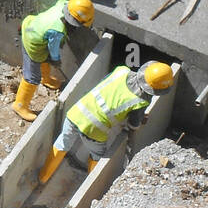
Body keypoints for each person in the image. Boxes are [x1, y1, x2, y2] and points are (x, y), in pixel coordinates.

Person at [39, 60, 174, 182]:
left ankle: (43, 177)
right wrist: (137, 123)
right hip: (93, 130)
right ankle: (88, 185)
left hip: (77, 112)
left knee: (62, 143)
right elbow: (133, 124)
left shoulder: (122, 70)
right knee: (98, 156)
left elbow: (104, 86)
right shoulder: (141, 101)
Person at [12, 0, 95, 122]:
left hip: (31, 25)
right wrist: (56, 59)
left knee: (45, 58)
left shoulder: (64, 4)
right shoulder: (57, 30)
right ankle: (20, 105)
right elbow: (53, 48)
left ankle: (46, 79)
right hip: (32, 42)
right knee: (32, 77)